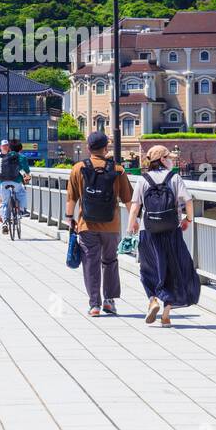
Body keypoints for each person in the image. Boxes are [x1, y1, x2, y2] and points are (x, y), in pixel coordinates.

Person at [127, 145, 200, 327]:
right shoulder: (174, 178)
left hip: (148, 231)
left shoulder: (143, 179)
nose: (171, 160)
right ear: (161, 159)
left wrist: (130, 227)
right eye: (169, 157)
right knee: (171, 270)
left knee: (148, 269)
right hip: (171, 230)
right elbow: (188, 201)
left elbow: (135, 206)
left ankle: (152, 300)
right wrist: (188, 219)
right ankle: (166, 316)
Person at [65, 131, 133, 316]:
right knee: (110, 261)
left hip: (86, 225)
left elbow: (71, 197)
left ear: (88, 148)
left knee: (90, 263)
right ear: (106, 148)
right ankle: (109, 301)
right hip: (111, 225)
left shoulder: (78, 168)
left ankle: (95, 304)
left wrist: (69, 217)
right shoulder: (117, 170)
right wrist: (134, 221)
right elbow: (128, 199)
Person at [0, 139, 30, 234]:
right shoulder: (20, 157)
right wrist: (26, 176)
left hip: (2, 182)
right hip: (16, 181)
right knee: (22, 192)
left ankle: (4, 222)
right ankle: (22, 210)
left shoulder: (0, 156)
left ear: (9, 147)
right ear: (20, 149)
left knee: (4, 202)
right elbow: (25, 170)